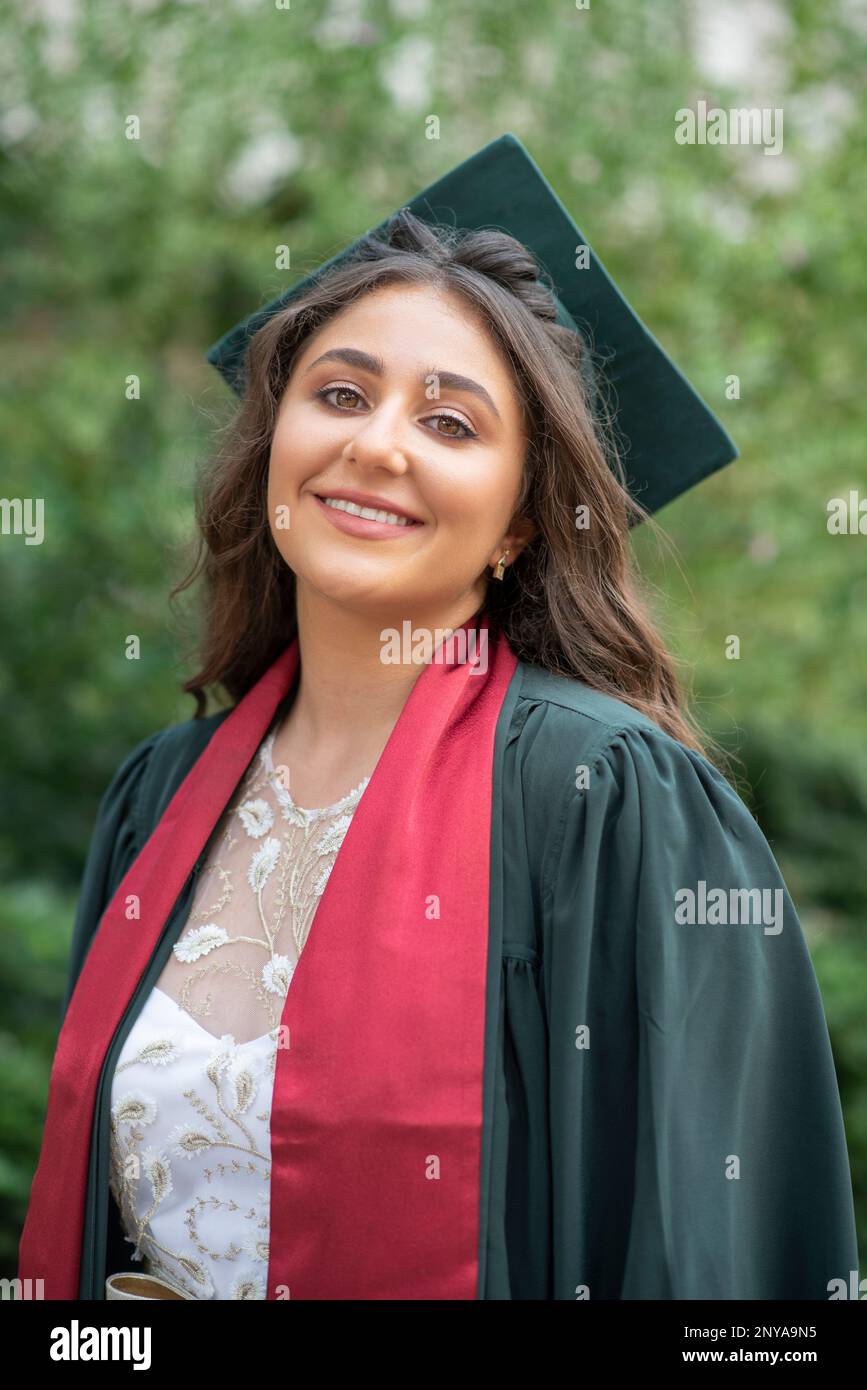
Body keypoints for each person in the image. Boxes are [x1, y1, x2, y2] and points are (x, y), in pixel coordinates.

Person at [19, 134, 858, 1300]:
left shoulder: (604, 799)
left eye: (451, 423)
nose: (376, 443)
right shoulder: (162, 797)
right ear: (276, 450)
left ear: (520, 521)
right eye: (341, 394)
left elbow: (708, 1262)